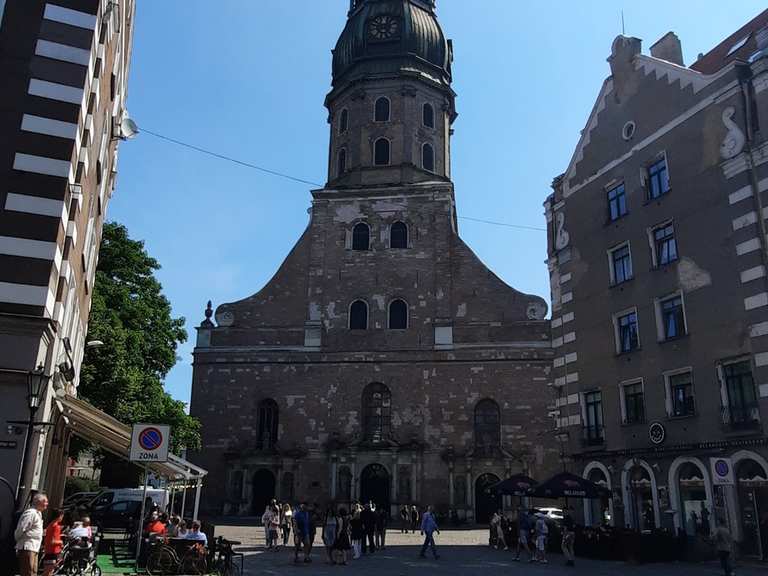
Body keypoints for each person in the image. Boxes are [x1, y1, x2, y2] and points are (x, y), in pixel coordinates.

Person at [15, 492, 48, 576]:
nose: (47, 504)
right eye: (45, 501)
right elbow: (21, 529)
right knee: (28, 571)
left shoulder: (38, 514)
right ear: (38, 501)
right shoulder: (30, 513)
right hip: (28, 546)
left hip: (35, 547)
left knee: (33, 571)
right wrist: (18, 541)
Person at [42, 508, 64, 576]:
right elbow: (53, 541)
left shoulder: (50, 525)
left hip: (48, 550)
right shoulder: (56, 526)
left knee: (47, 572)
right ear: (60, 516)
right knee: (49, 573)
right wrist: (61, 542)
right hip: (53, 552)